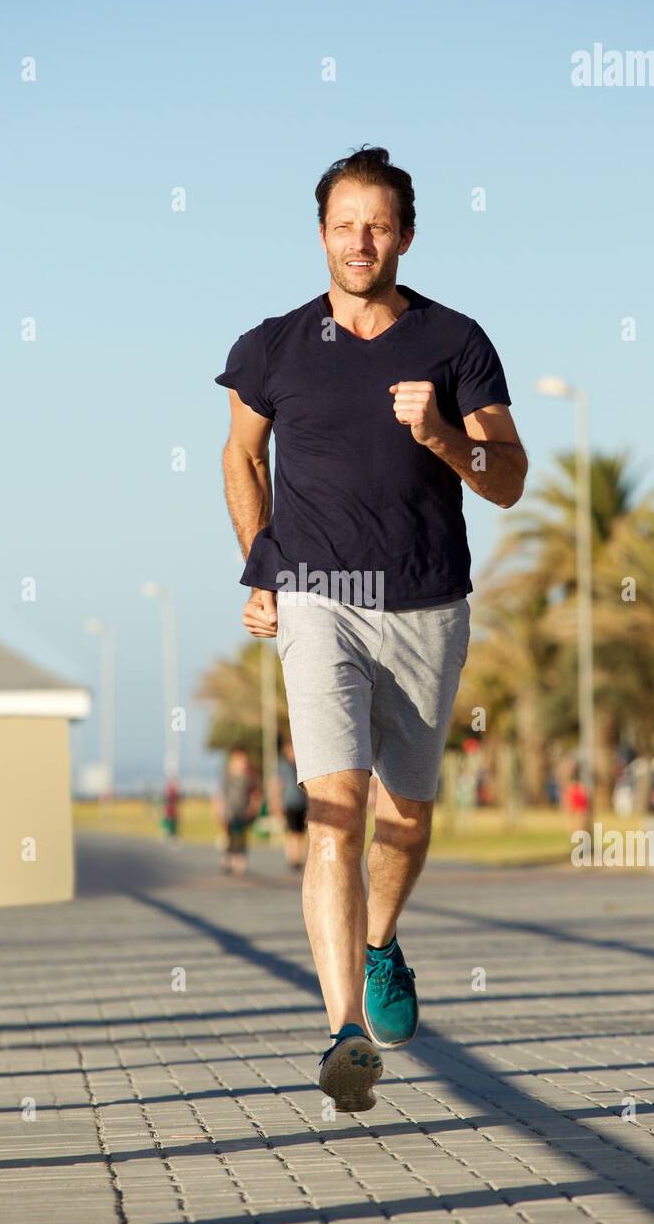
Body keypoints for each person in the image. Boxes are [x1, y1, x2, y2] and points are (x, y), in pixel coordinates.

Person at [217, 146, 526, 1112]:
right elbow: (240, 455)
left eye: (379, 224)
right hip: (318, 596)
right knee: (334, 810)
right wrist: (262, 560)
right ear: (321, 235)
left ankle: (382, 944)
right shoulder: (271, 347)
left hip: (428, 603)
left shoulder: (455, 340)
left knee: (405, 812)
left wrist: (444, 436)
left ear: (405, 235)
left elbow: (510, 478)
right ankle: (346, 1027)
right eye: (345, 223)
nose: (361, 240)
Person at [215, 747, 261, 876]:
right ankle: (227, 858)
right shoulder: (227, 777)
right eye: (238, 760)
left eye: (242, 761)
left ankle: (239, 861)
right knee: (230, 836)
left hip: (243, 811)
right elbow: (221, 794)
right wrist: (219, 809)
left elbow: (254, 794)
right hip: (230, 811)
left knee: (242, 837)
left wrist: (253, 806)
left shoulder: (249, 778)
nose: (240, 763)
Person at [274, 738, 308, 871]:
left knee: (301, 833)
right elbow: (277, 784)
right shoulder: (283, 766)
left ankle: (299, 857)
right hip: (289, 803)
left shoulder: (302, 765)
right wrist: (276, 802)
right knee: (292, 832)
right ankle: (292, 858)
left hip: (302, 803)